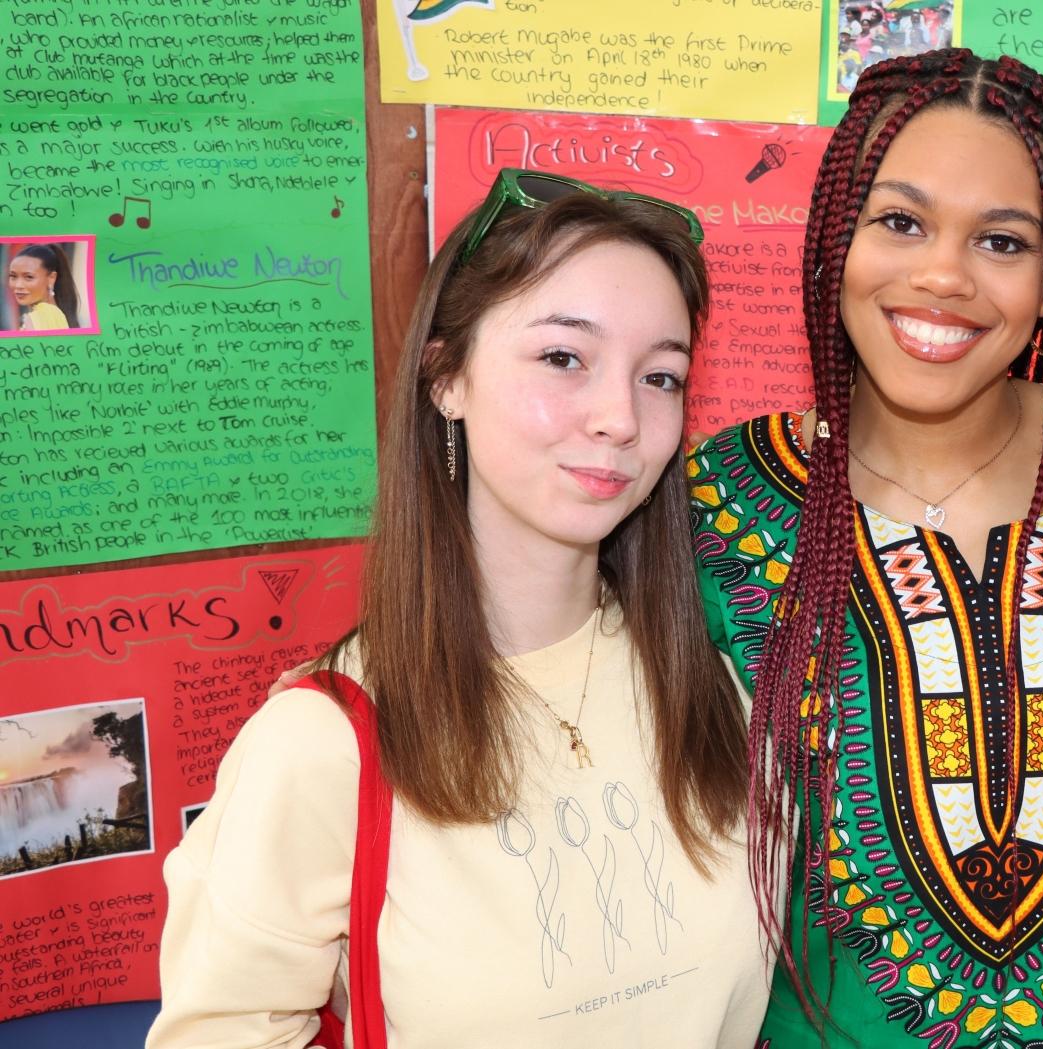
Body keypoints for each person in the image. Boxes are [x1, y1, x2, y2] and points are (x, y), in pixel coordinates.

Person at [149, 173, 768, 1047]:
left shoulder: (721, 674)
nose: (620, 418)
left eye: (660, 376)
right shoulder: (324, 741)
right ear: (446, 377)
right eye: (564, 358)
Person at [687, 49, 1043, 1049]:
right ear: (835, 234)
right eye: (901, 221)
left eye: (1002, 241)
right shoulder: (720, 505)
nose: (943, 275)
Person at [8, 243, 79, 330]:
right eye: (13, 276)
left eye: (29, 277)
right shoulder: (57, 314)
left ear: (51, 278)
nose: (18, 285)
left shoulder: (36, 318)